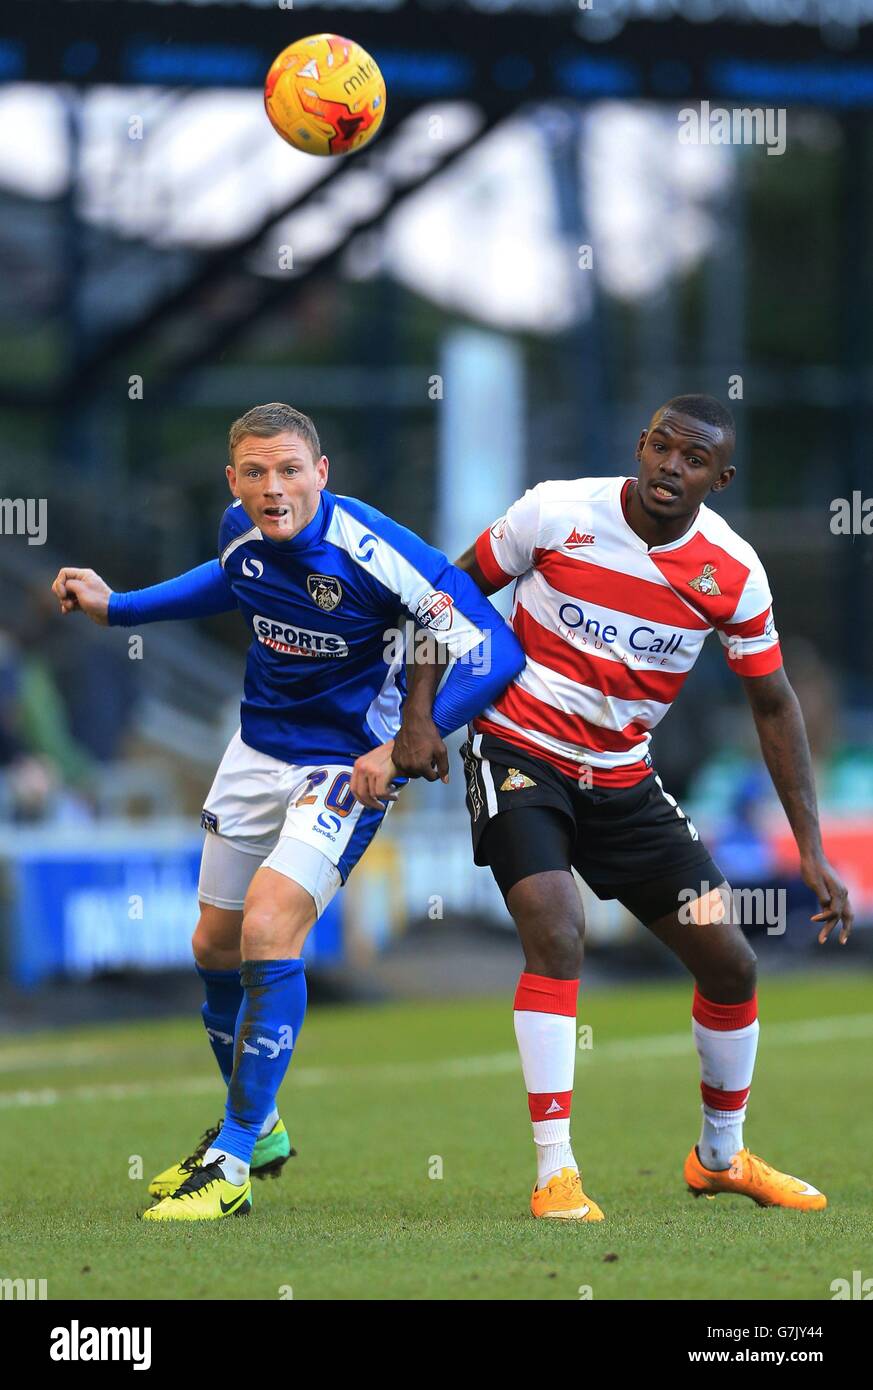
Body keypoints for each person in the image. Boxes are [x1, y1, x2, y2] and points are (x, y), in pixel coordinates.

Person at [351, 395, 853, 1221]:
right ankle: (555, 1173)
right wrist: (418, 715)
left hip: (623, 776)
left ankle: (718, 1158)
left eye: (692, 460)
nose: (669, 467)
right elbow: (443, 594)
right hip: (518, 751)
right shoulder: (554, 513)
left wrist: (808, 844)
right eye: (660, 447)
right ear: (640, 444)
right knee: (558, 933)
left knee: (730, 964)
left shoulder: (731, 573)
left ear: (718, 479)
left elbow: (773, 704)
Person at [52, 402, 523, 1222]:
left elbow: (492, 648)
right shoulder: (241, 529)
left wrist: (410, 736)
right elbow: (227, 578)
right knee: (213, 943)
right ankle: (260, 1127)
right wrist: (118, 607)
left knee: (271, 927)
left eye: (290, 470)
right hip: (254, 754)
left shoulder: (373, 550)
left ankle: (231, 1162)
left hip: (343, 770)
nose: (274, 489)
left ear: (322, 473)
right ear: (233, 480)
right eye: (256, 473)